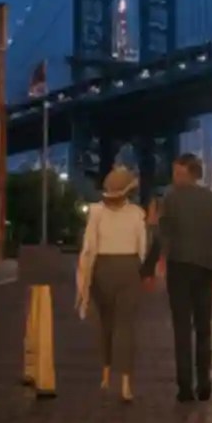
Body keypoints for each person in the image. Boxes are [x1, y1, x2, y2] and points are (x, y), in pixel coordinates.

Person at [142, 153, 212, 402]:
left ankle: (185, 387)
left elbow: (161, 237)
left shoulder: (171, 198)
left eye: (177, 173)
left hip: (180, 268)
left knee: (182, 328)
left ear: (188, 173)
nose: (174, 178)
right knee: (204, 328)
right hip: (206, 269)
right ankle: (204, 385)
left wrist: (147, 269)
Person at [75, 166, 147, 403]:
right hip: (129, 270)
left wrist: (83, 280)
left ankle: (105, 373)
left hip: (102, 270)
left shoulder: (95, 212)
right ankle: (125, 383)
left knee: (106, 322)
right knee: (125, 326)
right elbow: (142, 249)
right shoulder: (138, 214)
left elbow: (88, 248)